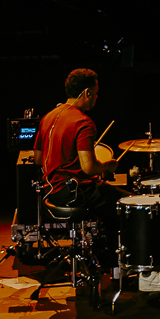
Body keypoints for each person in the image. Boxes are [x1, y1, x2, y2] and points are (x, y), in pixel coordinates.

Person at [35, 68, 120, 216]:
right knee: (126, 203)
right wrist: (108, 165)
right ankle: (112, 240)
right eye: (95, 93)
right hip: (74, 192)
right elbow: (89, 168)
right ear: (87, 93)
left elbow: (37, 159)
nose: (96, 97)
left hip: (51, 191)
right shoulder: (83, 122)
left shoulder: (47, 117)